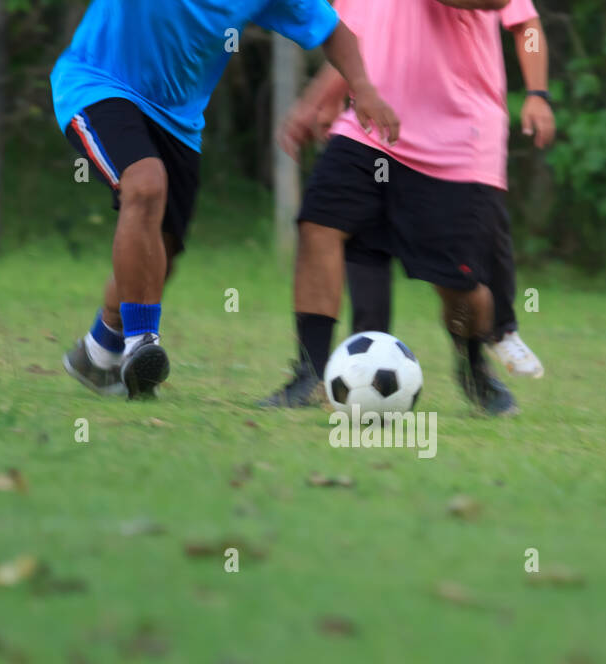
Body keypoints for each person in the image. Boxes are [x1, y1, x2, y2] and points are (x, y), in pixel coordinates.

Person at [53, 0, 398, 399]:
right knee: (145, 185)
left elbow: (333, 30)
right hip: (97, 84)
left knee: (158, 254)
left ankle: (98, 350)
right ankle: (141, 344)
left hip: (179, 122)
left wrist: (363, 88)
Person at [259, 0, 524, 416]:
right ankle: (309, 374)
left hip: (452, 139)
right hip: (371, 125)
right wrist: (318, 100)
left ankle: (473, 366)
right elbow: (354, 31)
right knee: (319, 224)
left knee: (457, 283)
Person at [344, 1, 553, 381]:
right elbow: (349, 39)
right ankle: (359, 363)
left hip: (464, 133)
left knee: (478, 245)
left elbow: (527, 26)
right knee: (361, 240)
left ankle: (499, 332)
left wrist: (538, 93)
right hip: (385, 134)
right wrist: (326, 103)